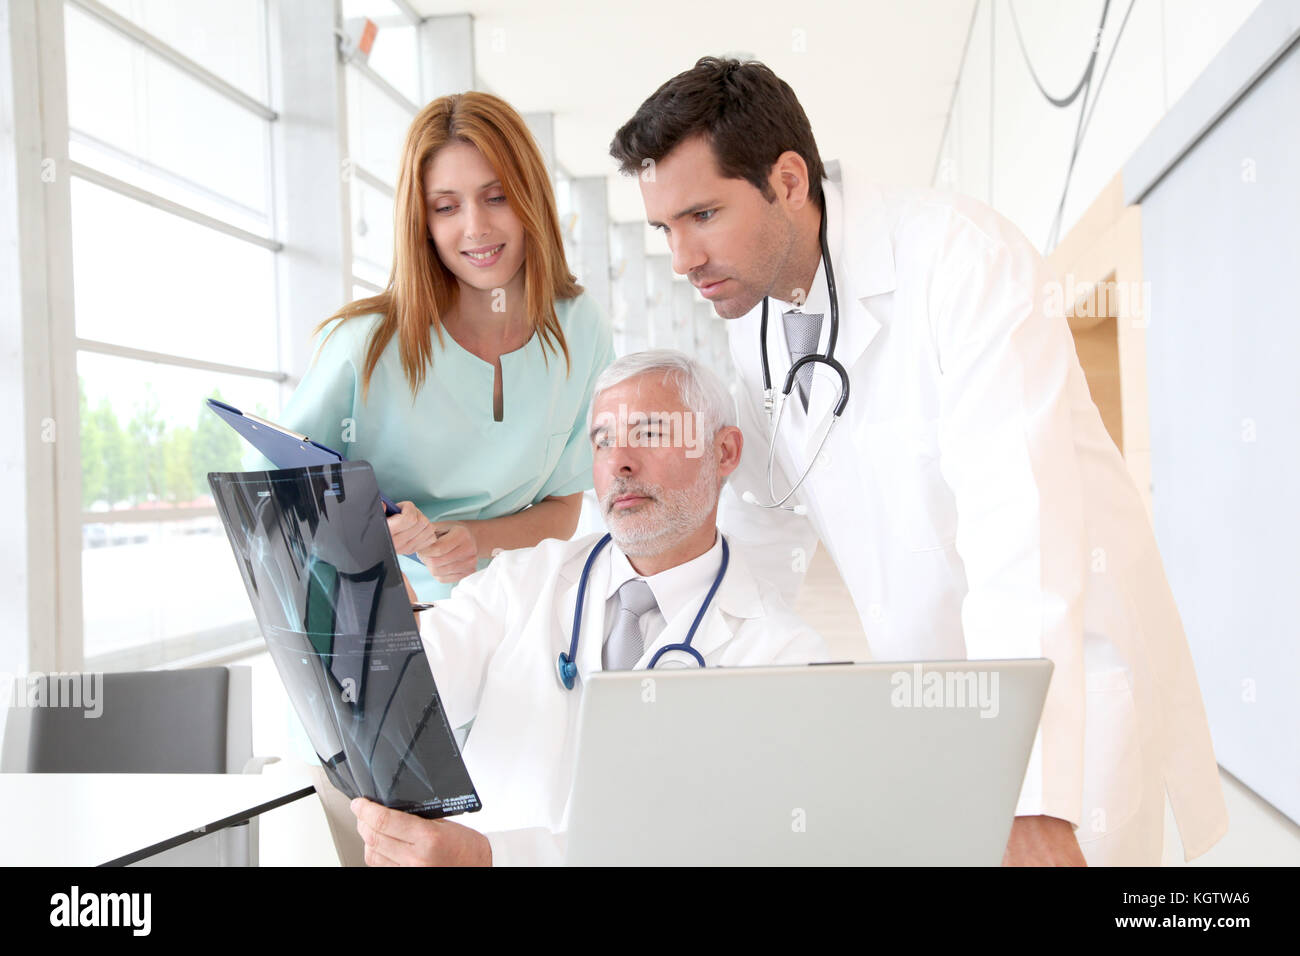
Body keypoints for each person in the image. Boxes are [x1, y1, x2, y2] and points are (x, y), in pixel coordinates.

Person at [608, 56, 1228, 866]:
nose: (682, 257)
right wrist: (711, 670)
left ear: (788, 180)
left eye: (702, 214)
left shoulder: (961, 260)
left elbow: (1022, 527)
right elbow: (766, 514)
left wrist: (1035, 794)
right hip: (931, 685)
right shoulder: (752, 317)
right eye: (664, 229)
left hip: (1064, 679)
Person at [346, 350, 830, 866]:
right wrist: (364, 560)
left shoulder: (784, 655)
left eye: (649, 433)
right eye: (603, 441)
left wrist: (493, 860)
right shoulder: (522, 579)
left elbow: (733, 844)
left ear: (724, 452)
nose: (620, 462)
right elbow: (400, 693)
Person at [274, 91, 614, 602]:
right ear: (424, 224)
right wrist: (364, 533)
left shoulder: (578, 329)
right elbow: (281, 500)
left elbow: (564, 504)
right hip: (386, 611)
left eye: (496, 196)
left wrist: (476, 540)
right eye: (446, 207)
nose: (475, 227)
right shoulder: (364, 345)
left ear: (532, 199)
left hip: (515, 610)